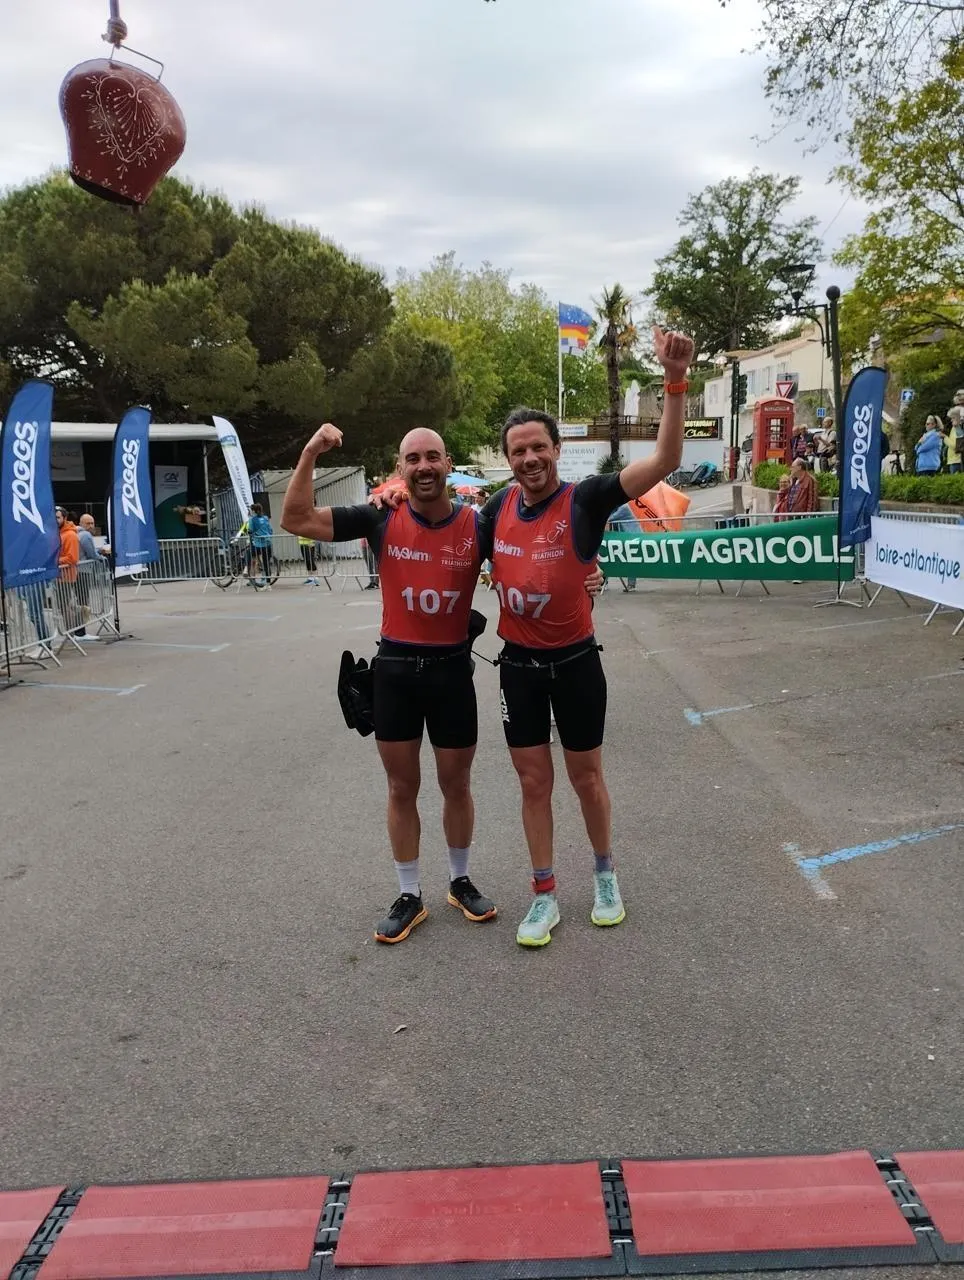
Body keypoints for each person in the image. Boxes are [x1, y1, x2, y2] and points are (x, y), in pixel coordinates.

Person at [484, 325, 695, 947]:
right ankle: (544, 894)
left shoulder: (587, 500)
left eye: (538, 448)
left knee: (586, 778)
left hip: (576, 663)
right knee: (531, 782)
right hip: (518, 667)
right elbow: (440, 541)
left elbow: (665, 462)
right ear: (508, 458)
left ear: (556, 449)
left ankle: (605, 876)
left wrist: (675, 382)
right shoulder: (494, 510)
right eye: (518, 451)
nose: (529, 459)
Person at [281, 424, 497, 945]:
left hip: (450, 672)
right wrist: (310, 451)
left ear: (447, 464)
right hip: (396, 671)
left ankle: (460, 881)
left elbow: (536, 561)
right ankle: (408, 893)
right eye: (413, 459)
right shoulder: (381, 517)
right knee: (402, 787)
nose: (424, 466)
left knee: (456, 785)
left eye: (433, 457)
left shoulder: (478, 525)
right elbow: (295, 518)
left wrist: (589, 573)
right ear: (401, 468)